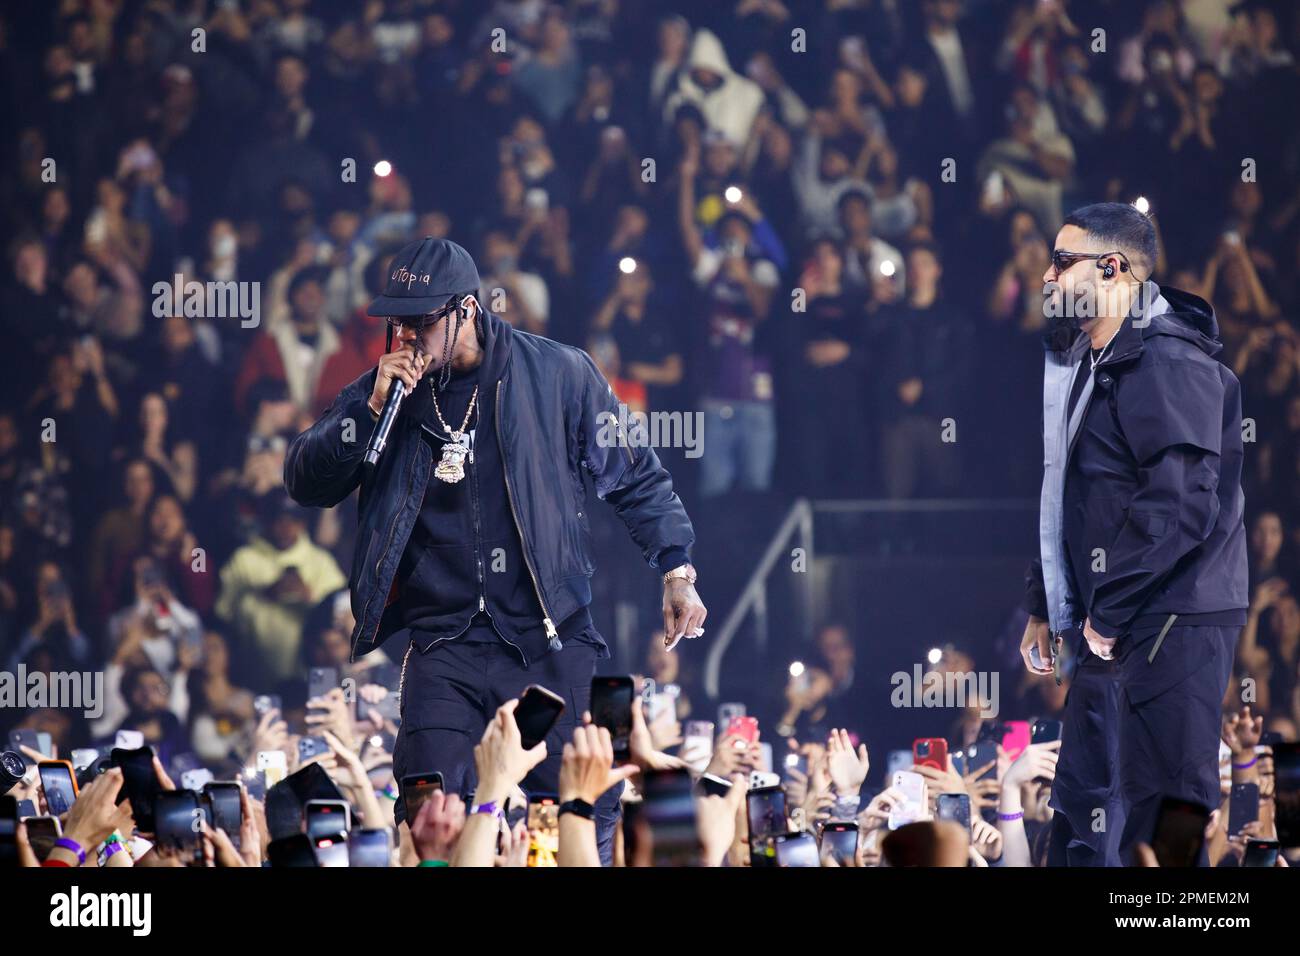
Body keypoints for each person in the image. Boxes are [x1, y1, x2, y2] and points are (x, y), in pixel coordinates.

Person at [284, 237, 706, 865]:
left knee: (578, 808)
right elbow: (305, 479)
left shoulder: (558, 374)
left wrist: (676, 570)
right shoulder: (386, 393)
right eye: (398, 321)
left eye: (423, 320)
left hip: (549, 637)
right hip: (442, 644)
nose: (407, 335)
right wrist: (370, 409)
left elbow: (637, 474)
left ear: (467, 310)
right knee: (431, 817)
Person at [1019, 202, 1248, 865]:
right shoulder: (1089, 361)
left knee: (1163, 813)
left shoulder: (1167, 359)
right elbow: (1070, 492)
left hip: (1169, 618)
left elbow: (1178, 504)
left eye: (1063, 262)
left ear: (1113, 268)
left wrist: (1108, 615)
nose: (1047, 276)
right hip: (1115, 620)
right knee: (1085, 811)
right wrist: (1046, 602)